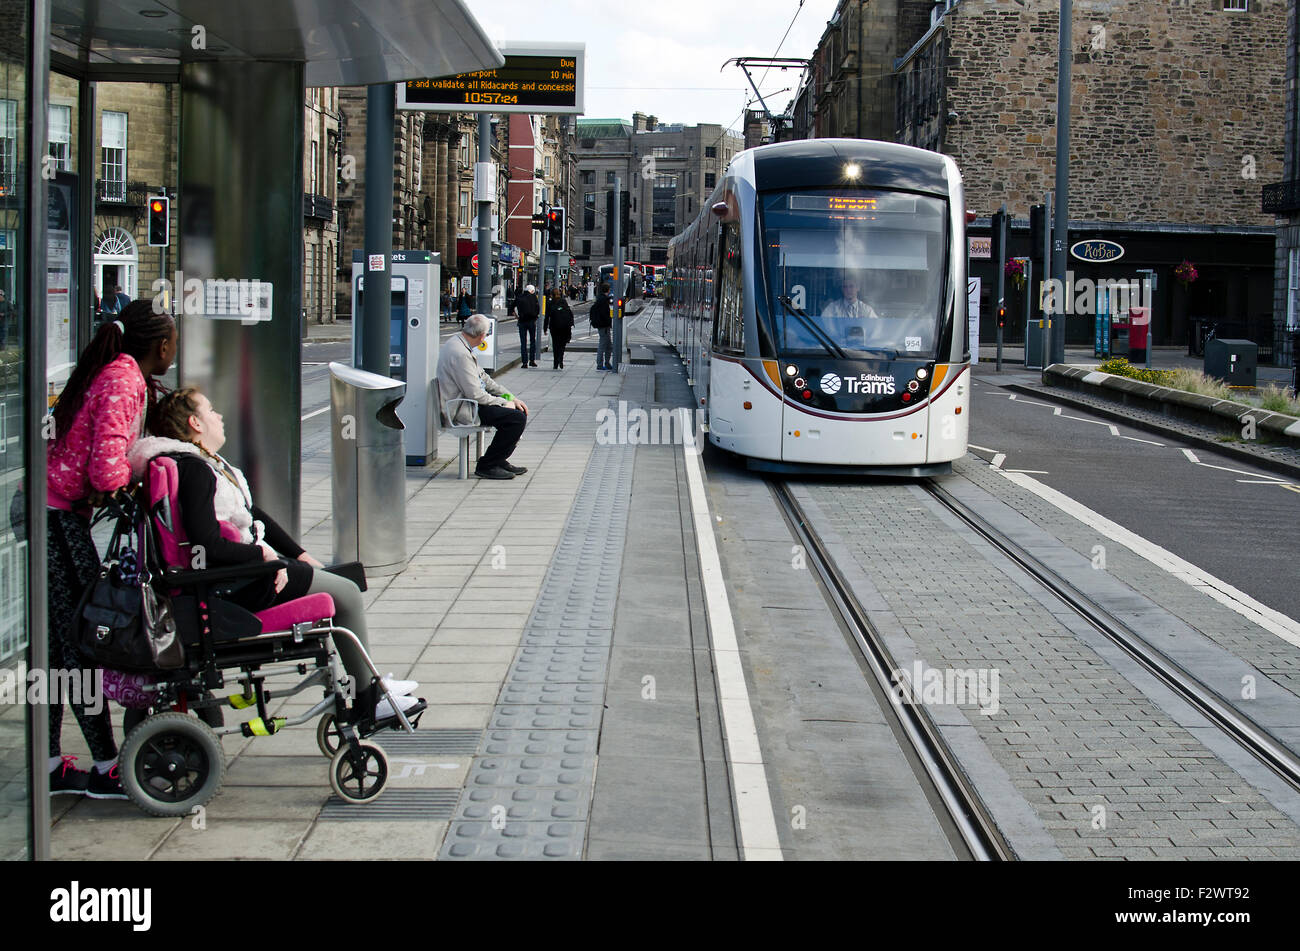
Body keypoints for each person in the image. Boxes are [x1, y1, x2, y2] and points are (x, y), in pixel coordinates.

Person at [131, 388, 419, 721]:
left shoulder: (204, 465)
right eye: (211, 410)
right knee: (348, 593)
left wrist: (300, 554)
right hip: (240, 584)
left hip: (244, 576)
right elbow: (206, 544)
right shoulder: (195, 470)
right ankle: (370, 700)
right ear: (195, 422)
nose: (219, 416)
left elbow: (253, 515)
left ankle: (369, 685)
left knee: (347, 577)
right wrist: (264, 559)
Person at [46, 301, 177, 798]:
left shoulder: (119, 371)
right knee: (81, 640)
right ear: (161, 347)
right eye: (174, 344)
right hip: (57, 515)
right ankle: (104, 767)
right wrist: (139, 470)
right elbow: (105, 471)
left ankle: (53, 760)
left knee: (60, 646)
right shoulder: (125, 381)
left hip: (55, 510)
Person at [439, 314, 529, 480]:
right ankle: (488, 464)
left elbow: (485, 380)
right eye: (486, 334)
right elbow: (475, 394)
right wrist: (504, 403)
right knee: (515, 419)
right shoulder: (460, 354)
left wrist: (511, 398)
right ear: (481, 336)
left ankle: (498, 459)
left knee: (517, 412)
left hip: (470, 403)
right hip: (463, 407)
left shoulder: (461, 345)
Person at [544, 288, 574, 370]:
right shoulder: (563, 301)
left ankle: (555, 363)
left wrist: (545, 328)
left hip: (554, 326)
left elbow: (547, 317)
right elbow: (568, 313)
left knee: (555, 344)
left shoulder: (550, 303)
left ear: (551, 295)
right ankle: (561, 358)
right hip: (564, 327)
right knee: (562, 344)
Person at [515, 284, 540, 368]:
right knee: (532, 341)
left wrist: (516, 316)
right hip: (531, 322)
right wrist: (535, 318)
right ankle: (532, 360)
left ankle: (524, 362)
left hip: (522, 321)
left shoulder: (519, 297)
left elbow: (511, 307)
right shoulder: (534, 297)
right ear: (532, 291)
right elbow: (538, 309)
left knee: (523, 342)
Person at [590, 282, 613, 371]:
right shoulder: (603, 300)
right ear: (608, 290)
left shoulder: (600, 298)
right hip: (604, 326)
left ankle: (607, 363)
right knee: (603, 345)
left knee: (608, 345)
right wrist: (608, 323)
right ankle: (600, 364)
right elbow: (604, 314)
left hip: (602, 325)